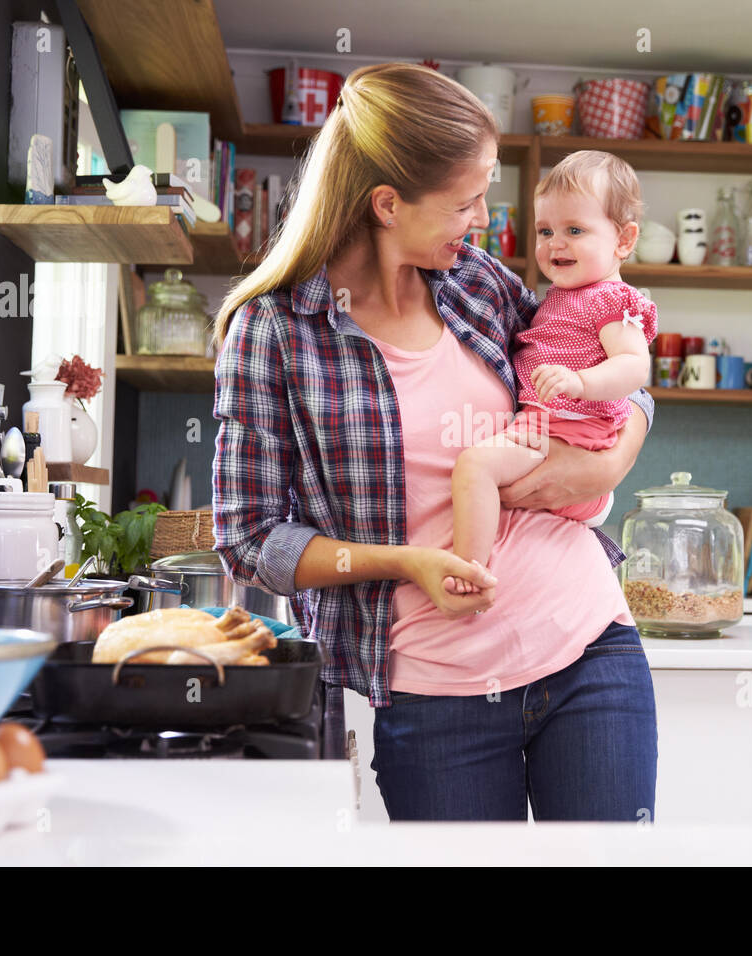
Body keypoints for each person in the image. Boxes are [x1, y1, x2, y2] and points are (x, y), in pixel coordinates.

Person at [212, 63, 658, 821]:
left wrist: (615, 456)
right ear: (388, 204)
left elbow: (613, 364)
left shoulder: (476, 285)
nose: (483, 219)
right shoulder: (274, 334)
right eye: (465, 201)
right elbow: (251, 539)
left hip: (589, 646)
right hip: (437, 695)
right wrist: (405, 563)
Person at [446, 150, 658, 595]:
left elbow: (635, 367)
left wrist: (582, 383)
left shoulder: (613, 299)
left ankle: (469, 573)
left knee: (474, 467)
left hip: (568, 431)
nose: (555, 244)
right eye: (546, 231)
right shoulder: (557, 298)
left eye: (574, 230)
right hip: (549, 428)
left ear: (623, 240)